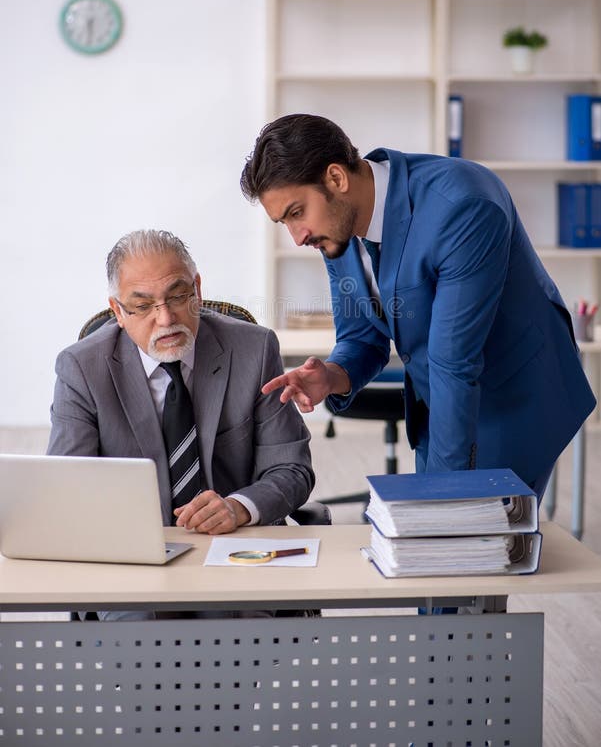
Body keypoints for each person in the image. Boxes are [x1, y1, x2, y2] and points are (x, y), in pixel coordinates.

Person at [241, 113, 596, 502]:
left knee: (479, 544)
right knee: (437, 544)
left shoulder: (462, 205)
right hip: (441, 398)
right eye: (283, 222)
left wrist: (441, 499)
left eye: (296, 213)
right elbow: (362, 338)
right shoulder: (335, 229)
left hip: (513, 394)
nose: (297, 237)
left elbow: (454, 361)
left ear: (336, 179)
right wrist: (332, 375)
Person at [48, 229, 314, 534]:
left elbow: (292, 469)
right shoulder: (81, 368)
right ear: (118, 311)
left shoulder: (254, 350)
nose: (166, 319)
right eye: (144, 306)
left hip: (235, 542)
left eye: (176, 296)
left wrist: (238, 507)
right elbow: (67, 485)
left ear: (197, 290)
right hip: (132, 545)